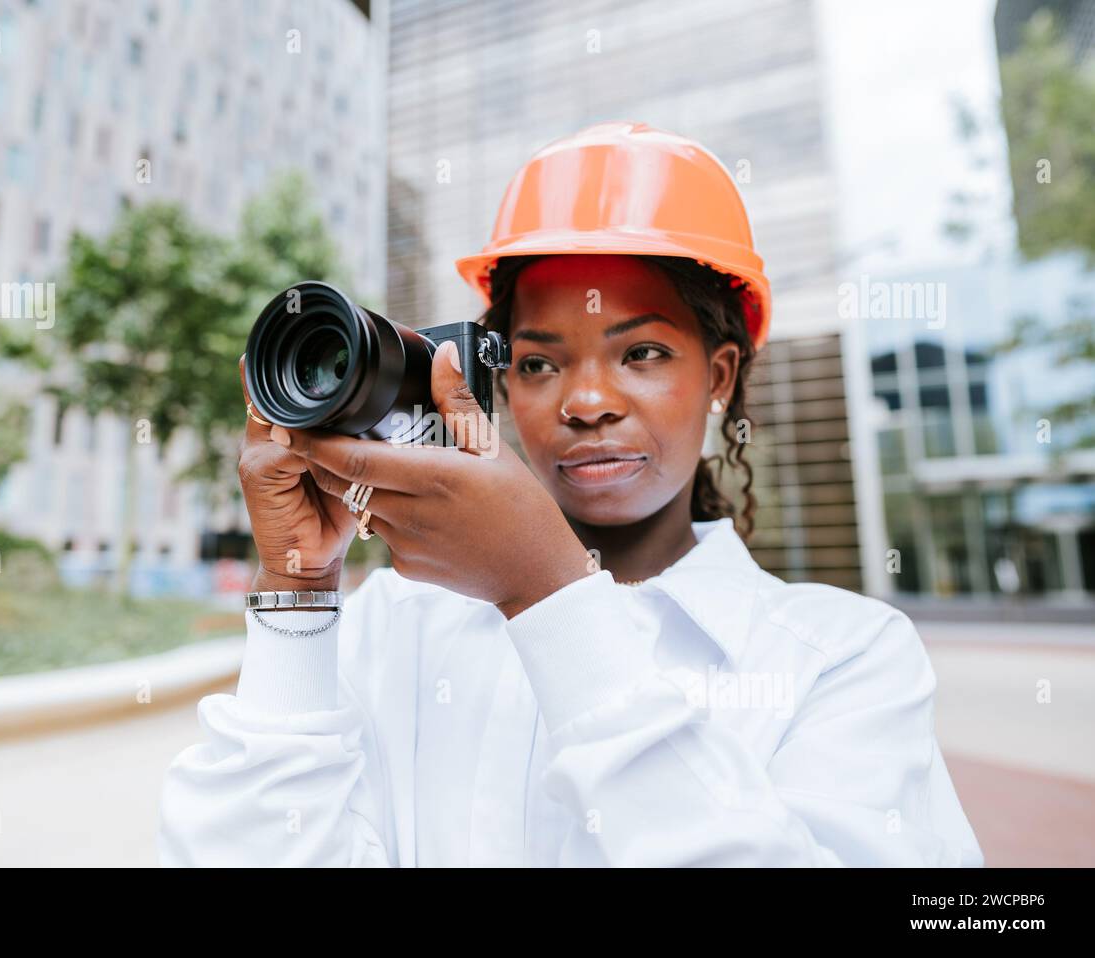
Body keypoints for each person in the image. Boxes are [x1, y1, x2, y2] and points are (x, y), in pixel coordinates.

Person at [157, 121, 983, 867]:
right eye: (541, 362)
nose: (586, 402)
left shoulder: (843, 657)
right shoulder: (392, 624)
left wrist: (548, 594)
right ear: (499, 383)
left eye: (644, 354)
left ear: (720, 376)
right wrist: (299, 596)